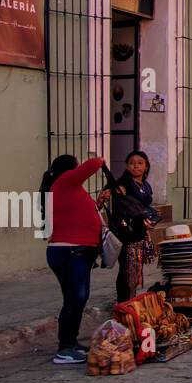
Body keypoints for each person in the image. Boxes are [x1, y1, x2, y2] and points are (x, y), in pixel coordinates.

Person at [42, 154, 104, 364]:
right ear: (70, 168)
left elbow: (78, 213)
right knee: (77, 297)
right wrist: (99, 159)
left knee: (74, 298)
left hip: (73, 251)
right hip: (71, 251)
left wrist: (99, 204)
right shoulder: (66, 180)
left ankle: (71, 341)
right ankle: (65, 347)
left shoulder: (64, 188)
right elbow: (94, 165)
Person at [102, 150, 158, 303]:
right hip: (126, 231)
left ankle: (130, 299)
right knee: (127, 268)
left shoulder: (145, 185)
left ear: (146, 167)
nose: (136, 166)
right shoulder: (124, 183)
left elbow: (144, 205)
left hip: (140, 231)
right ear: (127, 166)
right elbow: (119, 201)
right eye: (132, 163)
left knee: (134, 268)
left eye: (140, 163)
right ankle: (124, 300)